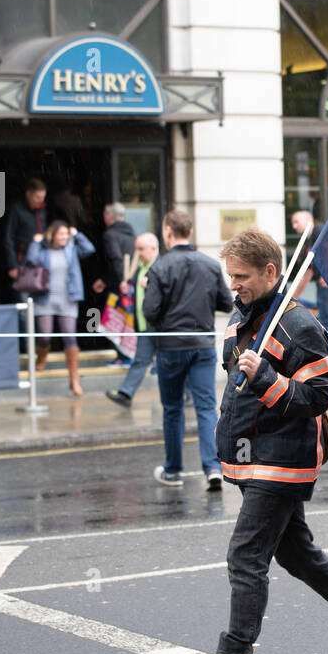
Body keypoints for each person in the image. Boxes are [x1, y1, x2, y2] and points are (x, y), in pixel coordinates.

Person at [178, 227, 328, 654]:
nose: (234, 285)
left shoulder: (300, 325)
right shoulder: (241, 320)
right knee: (295, 552)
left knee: (245, 553)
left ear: (272, 272)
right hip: (252, 457)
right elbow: (235, 389)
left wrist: (266, 375)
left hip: (283, 461)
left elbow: (317, 396)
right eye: (230, 276)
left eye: (243, 276)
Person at [142, 209, 232, 491]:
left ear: (168, 233)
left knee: (172, 409)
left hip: (170, 346)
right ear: (190, 232)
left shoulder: (159, 267)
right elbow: (227, 303)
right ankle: (213, 468)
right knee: (206, 407)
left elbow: (150, 312)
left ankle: (173, 471)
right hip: (203, 344)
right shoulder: (209, 264)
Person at [26, 220, 96, 395]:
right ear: (53, 235)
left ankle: (74, 380)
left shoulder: (71, 249)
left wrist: (77, 234)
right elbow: (30, 260)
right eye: (61, 234)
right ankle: (41, 358)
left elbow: (89, 249)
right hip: (45, 298)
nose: (64, 237)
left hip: (68, 298)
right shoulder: (42, 250)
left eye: (66, 234)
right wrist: (35, 242)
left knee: (70, 338)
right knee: (44, 335)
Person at [106, 232, 161, 407]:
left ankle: (189, 395)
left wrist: (151, 285)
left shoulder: (161, 267)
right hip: (144, 324)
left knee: (172, 363)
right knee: (140, 360)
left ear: (153, 249)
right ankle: (126, 393)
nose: (139, 253)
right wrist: (127, 287)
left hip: (160, 326)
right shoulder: (141, 267)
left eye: (141, 249)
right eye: (137, 249)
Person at [287, 209, 328, 360]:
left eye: (297, 222)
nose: (294, 226)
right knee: (325, 322)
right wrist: (292, 297)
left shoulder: (318, 231)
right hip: (323, 285)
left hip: (327, 285)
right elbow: (307, 272)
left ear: (308, 219)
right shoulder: (309, 239)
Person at [94, 202, 138, 366]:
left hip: (119, 286)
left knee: (115, 320)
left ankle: (122, 356)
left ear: (109, 216)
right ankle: (127, 354)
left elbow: (115, 259)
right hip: (130, 285)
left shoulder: (110, 235)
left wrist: (122, 281)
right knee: (127, 320)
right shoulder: (131, 233)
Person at [3, 178, 50, 297]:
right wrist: (13, 265)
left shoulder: (43, 210)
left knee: (42, 305)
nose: (41, 201)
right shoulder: (17, 210)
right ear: (28, 194)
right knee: (24, 302)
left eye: (43, 197)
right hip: (23, 263)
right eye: (38, 197)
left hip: (43, 262)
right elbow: (8, 238)